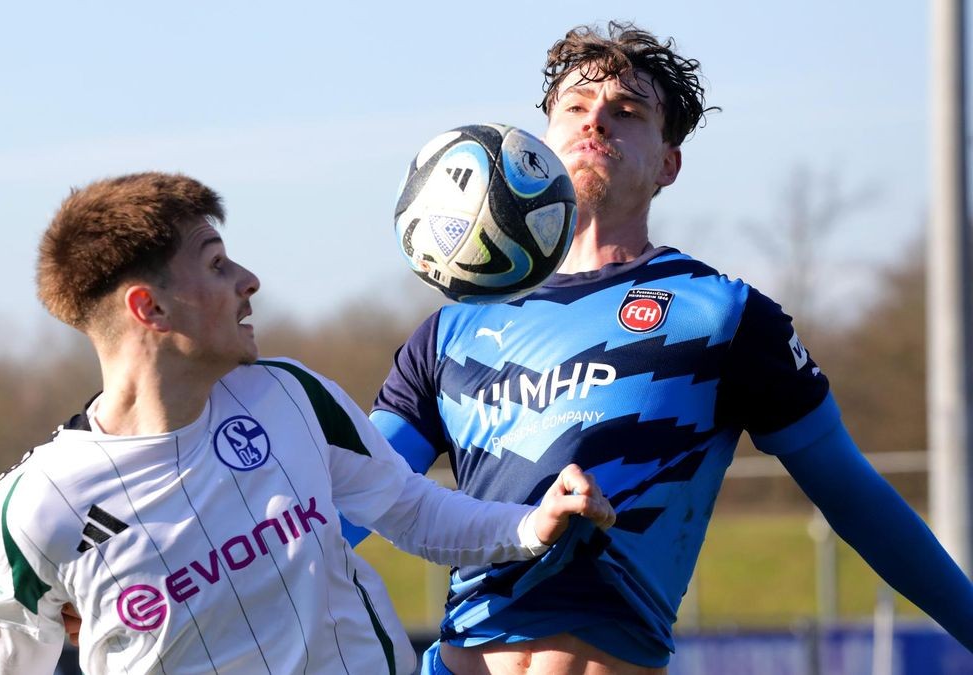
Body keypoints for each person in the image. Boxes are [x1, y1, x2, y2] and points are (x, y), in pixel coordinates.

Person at [363, 22, 973, 674]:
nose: (596, 120)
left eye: (626, 112)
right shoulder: (449, 334)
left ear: (667, 163)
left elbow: (858, 500)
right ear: (537, 143)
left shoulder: (724, 316)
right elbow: (347, 492)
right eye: (575, 106)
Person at [0, 171, 616, 674]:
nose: (249, 279)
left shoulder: (290, 395)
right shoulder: (39, 508)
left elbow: (409, 507)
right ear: (150, 306)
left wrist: (530, 525)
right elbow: (23, 656)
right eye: (217, 263)